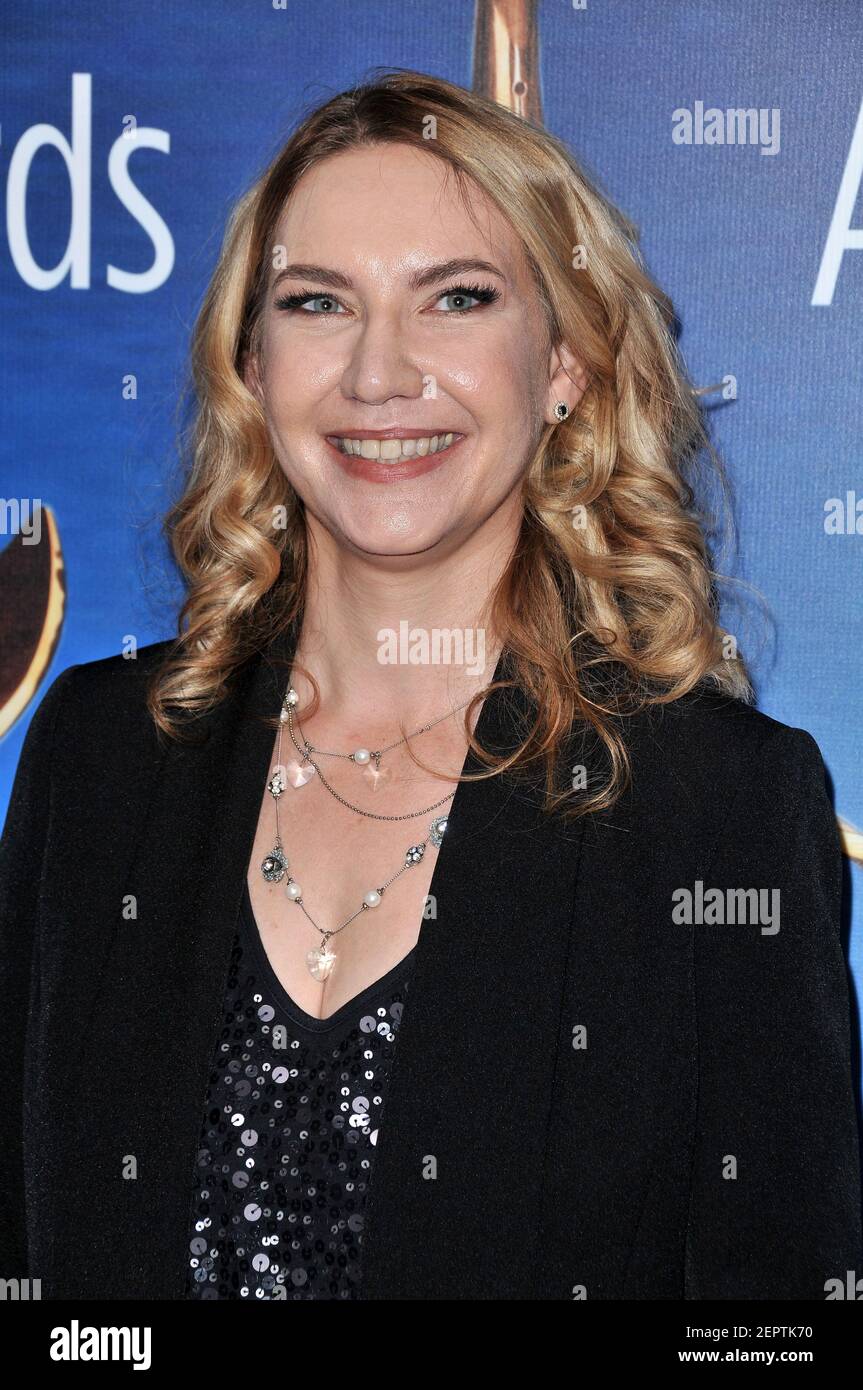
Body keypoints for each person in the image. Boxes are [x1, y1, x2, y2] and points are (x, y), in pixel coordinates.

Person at [1, 70, 860, 1302]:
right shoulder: (99, 757)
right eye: (316, 303)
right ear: (251, 362)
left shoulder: (722, 808)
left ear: (562, 363)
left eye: (456, 298)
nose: (377, 373)